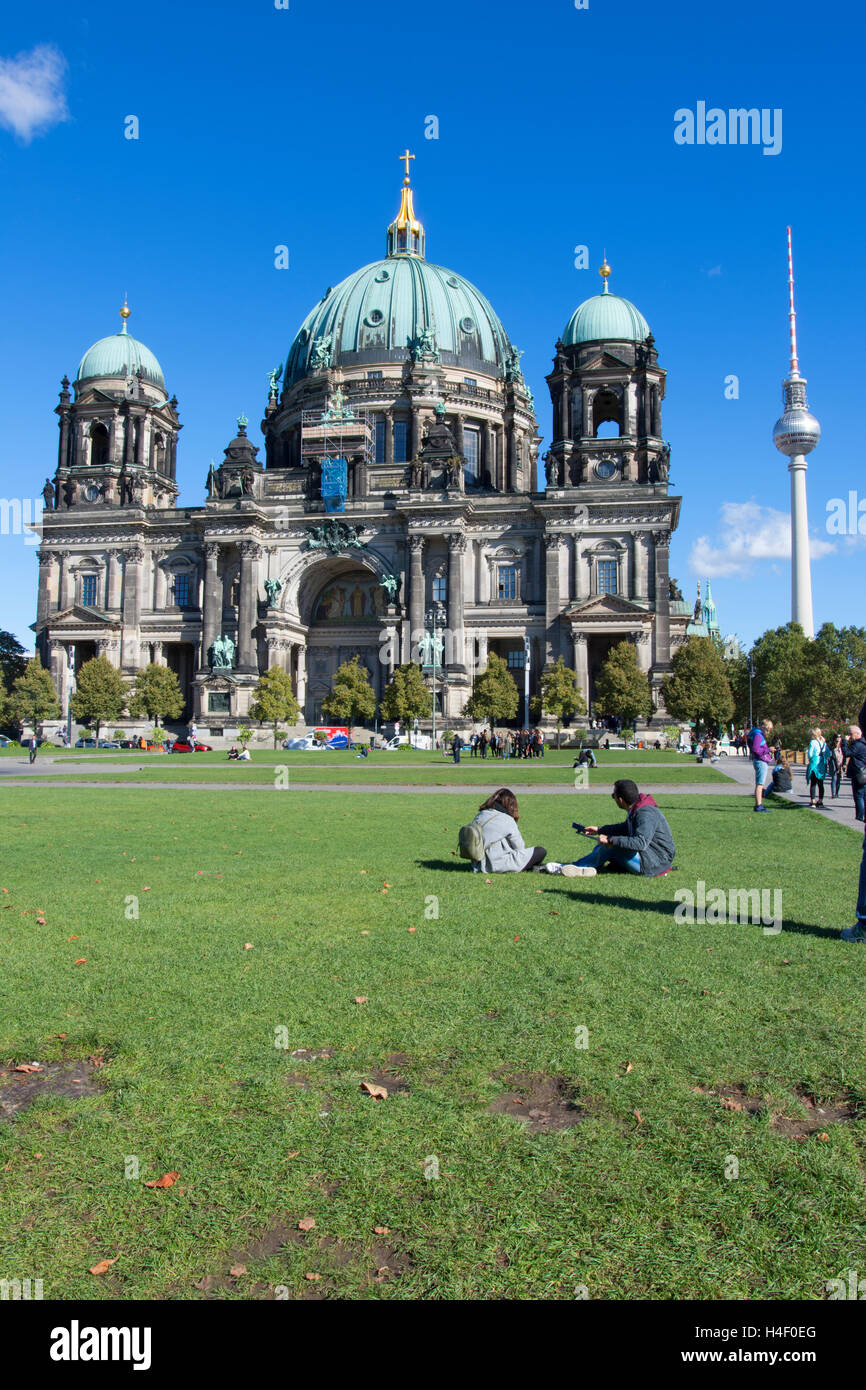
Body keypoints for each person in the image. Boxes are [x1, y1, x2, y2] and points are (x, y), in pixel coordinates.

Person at [546, 779, 675, 878]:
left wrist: (611, 840)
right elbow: (625, 828)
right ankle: (586, 868)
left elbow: (641, 843)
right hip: (652, 859)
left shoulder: (645, 813)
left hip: (654, 864)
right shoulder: (638, 809)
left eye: (613, 795)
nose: (613, 798)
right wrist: (599, 830)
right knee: (603, 846)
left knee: (609, 847)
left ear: (620, 799)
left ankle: (572, 867)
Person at [469, 789, 546, 874]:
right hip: (497, 864)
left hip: (477, 864)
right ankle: (532, 867)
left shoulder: (480, 815)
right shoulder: (507, 819)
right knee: (540, 851)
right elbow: (519, 847)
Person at [746, 718, 775, 812]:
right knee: (760, 784)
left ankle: (758, 804)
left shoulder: (756, 734)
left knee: (760, 783)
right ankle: (759, 805)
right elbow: (756, 749)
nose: (768, 732)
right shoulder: (758, 736)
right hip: (760, 761)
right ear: (763, 727)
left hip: (758, 760)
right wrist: (768, 750)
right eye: (767, 729)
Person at [846, 724, 866, 822]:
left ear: (858, 734)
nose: (849, 736)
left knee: (858, 795)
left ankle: (859, 816)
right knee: (864, 795)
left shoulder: (858, 744)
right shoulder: (864, 743)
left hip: (858, 773)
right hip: (863, 771)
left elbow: (847, 753)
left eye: (851, 734)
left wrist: (844, 742)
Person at [806, 726, 829, 808]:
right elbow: (827, 754)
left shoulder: (812, 742)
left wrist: (810, 760)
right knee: (821, 784)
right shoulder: (824, 743)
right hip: (822, 764)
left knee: (813, 783)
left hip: (814, 763)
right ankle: (820, 800)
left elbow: (810, 754)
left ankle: (812, 800)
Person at [829, 734, 844, 799]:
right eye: (837, 737)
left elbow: (845, 755)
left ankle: (837, 793)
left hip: (841, 764)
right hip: (834, 764)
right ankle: (833, 794)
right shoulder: (831, 747)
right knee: (834, 778)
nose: (838, 738)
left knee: (839, 779)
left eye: (840, 737)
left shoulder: (842, 746)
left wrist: (844, 764)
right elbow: (831, 756)